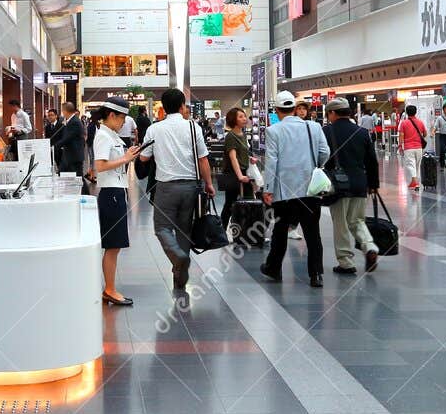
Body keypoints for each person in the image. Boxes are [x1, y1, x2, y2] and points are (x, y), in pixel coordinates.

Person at [138, 87, 213, 299]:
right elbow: (203, 159)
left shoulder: (155, 129)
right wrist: (209, 184)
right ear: (182, 106)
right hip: (191, 186)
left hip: (166, 187)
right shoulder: (193, 127)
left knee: (162, 228)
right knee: (184, 230)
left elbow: (144, 158)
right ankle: (179, 276)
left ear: (163, 107)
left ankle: (178, 257)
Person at [260, 90, 330, 287]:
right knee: (312, 232)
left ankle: (273, 269)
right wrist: (316, 164)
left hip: (285, 191)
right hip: (310, 189)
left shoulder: (274, 131)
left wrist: (268, 188)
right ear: (293, 109)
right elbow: (325, 152)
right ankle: (316, 274)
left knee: (280, 229)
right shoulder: (314, 127)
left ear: (277, 110)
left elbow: (272, 161)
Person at [91, 99, 143, 306]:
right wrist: (126, 158)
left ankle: (110, 288)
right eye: (122, 118)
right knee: (113, 245)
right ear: (112, 116)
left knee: (115, 245)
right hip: (111, 192)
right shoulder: (103, 136)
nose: (124, 123)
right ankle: (110, 289)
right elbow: (100, 166)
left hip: (117, 191)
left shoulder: (111, 135)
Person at [322, 98, 379, 275]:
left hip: (338, 184)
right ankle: (369, 246)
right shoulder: (362, 132)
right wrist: (373, 184)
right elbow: (372, 161)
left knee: (341, 223)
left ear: (332, 113)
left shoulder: (326, 131)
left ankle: (346, 262)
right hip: (360, 182)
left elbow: (321, 156)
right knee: (357, 220)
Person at [218, 106, 254, 234]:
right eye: (241, 116)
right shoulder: (231, 136)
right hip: (233, 174)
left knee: (249, 201)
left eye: (244, 116)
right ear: (233, 119)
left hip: (243, 172)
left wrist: (250, 159)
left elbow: (241, 154)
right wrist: (239, 176)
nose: (244, 118)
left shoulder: (242, 134)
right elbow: (233, 158)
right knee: (230, 204)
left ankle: (249, 231)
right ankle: (222, 231)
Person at [54, 103, 87, 188]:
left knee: (79, 178)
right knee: (62, 173)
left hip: (74, 156)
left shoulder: (75, 122)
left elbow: (67, 138)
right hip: (69, 155)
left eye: (62, 110)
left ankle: (86, 195)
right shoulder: (70, 121)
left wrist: (55, 146)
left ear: (65, 111)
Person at [398, 103, 429, 190]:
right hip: (419, 147)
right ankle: (415, 182)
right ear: (415, 112)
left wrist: (400, 146)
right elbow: (425, 133)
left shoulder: (404, 123)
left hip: (408, 148)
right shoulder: (420, 122)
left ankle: (415, 182)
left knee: (410, 165)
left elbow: (401, 136)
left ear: (407, 113)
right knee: (417, 165)